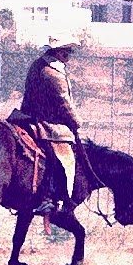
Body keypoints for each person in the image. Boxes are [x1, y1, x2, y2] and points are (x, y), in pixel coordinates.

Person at [17, 34, 82, 216]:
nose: (69, 55)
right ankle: (48, 196)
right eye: (66, 51)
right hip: (47, 121)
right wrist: (76, 122)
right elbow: (64, 102)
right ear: (57, 52)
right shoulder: (53, 73)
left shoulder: (38, 64)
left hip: (27, 114)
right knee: (63, 157)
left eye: (69, 51)